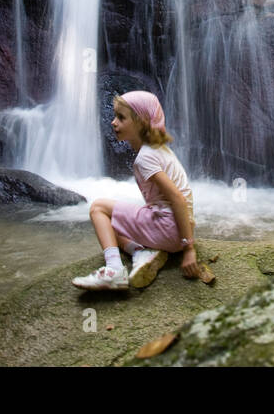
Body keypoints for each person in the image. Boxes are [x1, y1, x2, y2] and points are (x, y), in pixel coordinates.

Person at [72, 91, 200, 290]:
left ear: (141, 122)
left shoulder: (146, 158)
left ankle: (114, 270)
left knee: (98, 208)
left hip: (170, 230)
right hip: (178, 228)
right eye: (115, 116)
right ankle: (140, 252)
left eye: (121, 118)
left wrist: (189, 249)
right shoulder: (159, 149)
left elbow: (178, 199)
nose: (114, 123)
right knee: (112, 224)